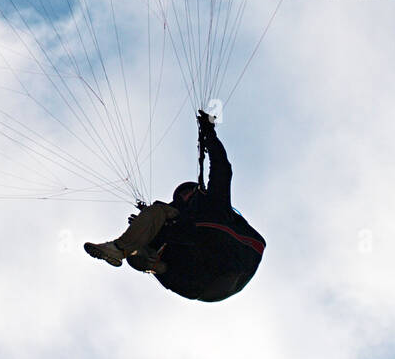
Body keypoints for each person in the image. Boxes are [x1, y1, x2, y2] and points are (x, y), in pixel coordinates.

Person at [84, 111, 265, 302]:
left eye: (188, 193)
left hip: (234, 255)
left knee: (160, 213)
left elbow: (222, 168)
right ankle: (143, 258)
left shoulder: (213, 205)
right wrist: (144, 229)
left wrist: (209, 133)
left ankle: (122, 249)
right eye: (181, 196)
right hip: (199, 283)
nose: (185, 198)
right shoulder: (177, 229)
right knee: (138, 250)